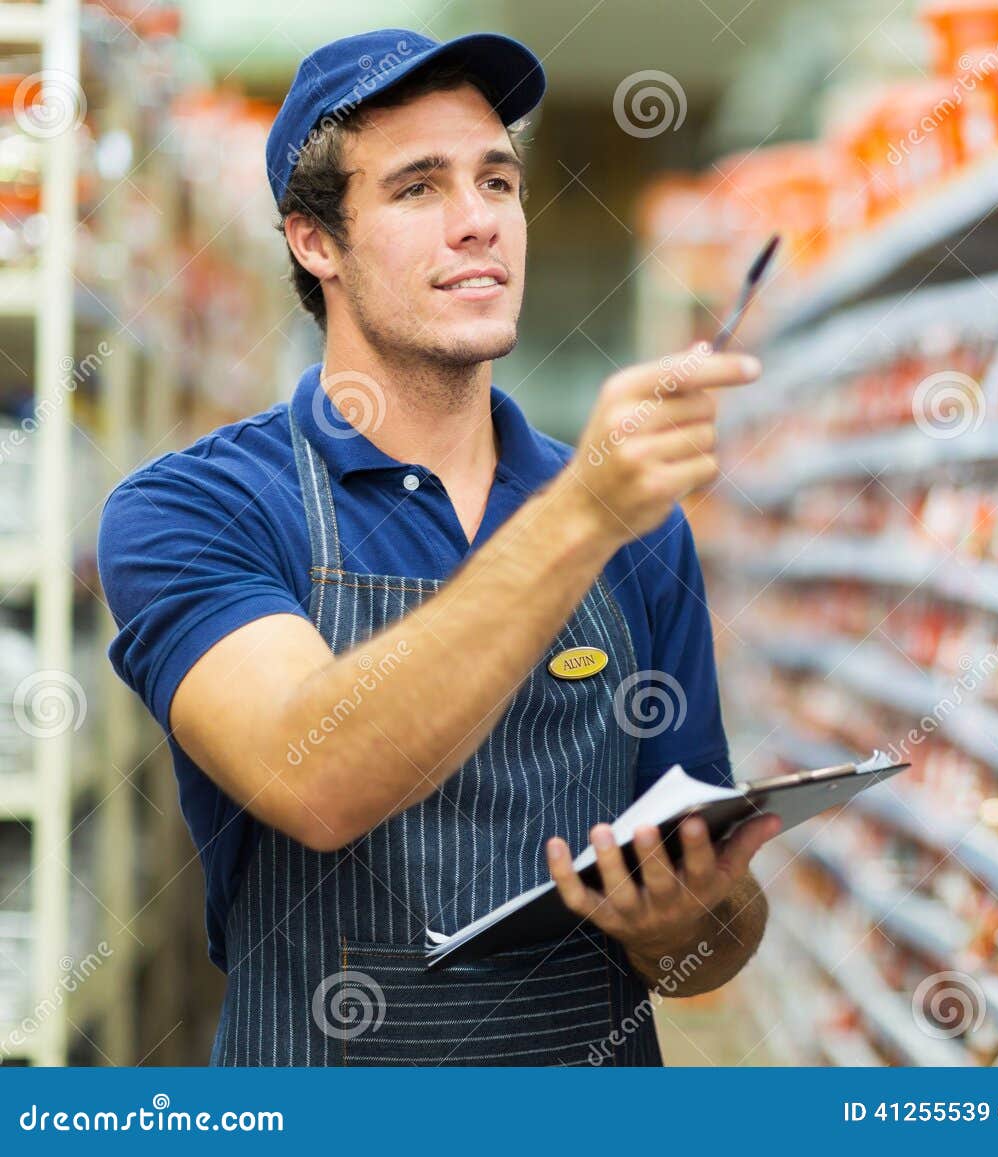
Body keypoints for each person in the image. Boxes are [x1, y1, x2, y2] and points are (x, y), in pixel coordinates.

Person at [97, 28, 778, 1066]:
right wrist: (579, 516)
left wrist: (683, 920)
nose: (479, 221)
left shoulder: (641, 525)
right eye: (419, 188)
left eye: (497, 181)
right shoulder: (198, 508)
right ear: (315, 242)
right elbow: (315, 778)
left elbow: (714, 946)